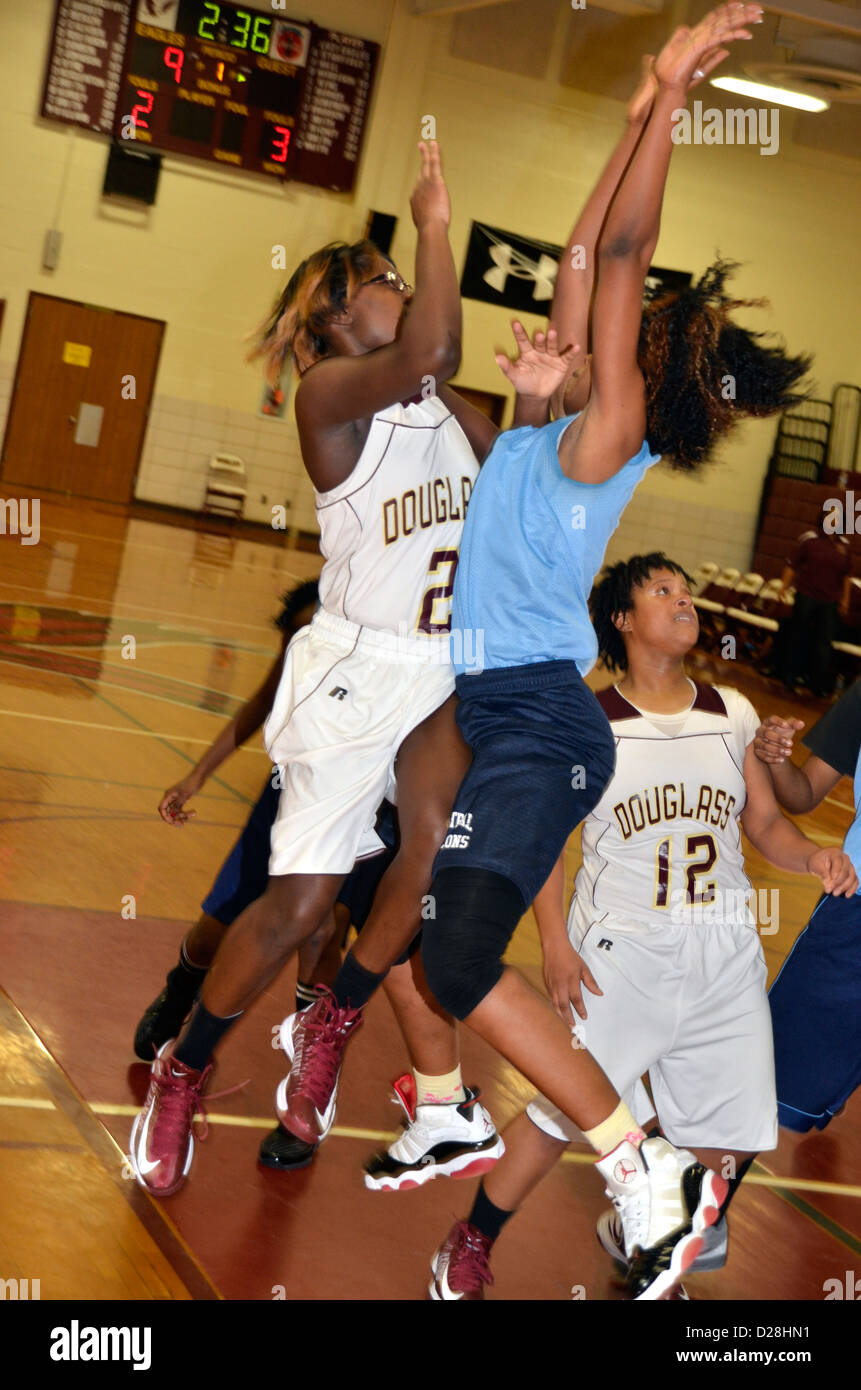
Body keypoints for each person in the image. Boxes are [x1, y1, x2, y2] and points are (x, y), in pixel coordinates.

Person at [278, 6, 814, 1299]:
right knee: (414, 941)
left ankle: (642, 1169)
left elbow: (620, 253)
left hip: (536, 722)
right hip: (493, 708)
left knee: (452, 960)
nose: (555, 329)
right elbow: (582, 247)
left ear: (610, 381)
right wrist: (630, 110)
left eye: (576, 347)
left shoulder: (595, 438)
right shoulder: (528, 436)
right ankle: (469, 1110)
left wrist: (676, 96)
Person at [130, 140, 508, 1199]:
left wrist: (557, 387)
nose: (403, 291)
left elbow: (515, 465)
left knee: (431, 848)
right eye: (386, 278)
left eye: (400, 274)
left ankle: (333, 1018)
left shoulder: (444, 407)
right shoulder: (331, 398)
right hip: (354, 670)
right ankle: (185, 1068)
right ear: (343, 314)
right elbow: (434, 337)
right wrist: (436, 219)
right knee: (297, 905)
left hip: (439, 669)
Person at [424, 554, 856, 1299]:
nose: (683, 601)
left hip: (723, 949)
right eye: (663, 592)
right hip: (622, 950)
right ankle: (471, 1240)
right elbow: (545, 839)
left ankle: (656, 1250)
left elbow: (763, 824)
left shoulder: (733, 714)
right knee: (563, 1110)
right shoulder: (587, 722)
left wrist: (812, 855)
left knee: (719, 1140)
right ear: (622, 622)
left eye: (686, 592)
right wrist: (555, 942)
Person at [753, 681, 861, 1133]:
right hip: (853, 916)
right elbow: (803, 793)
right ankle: (682, 1202)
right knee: (764, 1091)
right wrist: (777, 758)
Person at [774, 511, 851, 696]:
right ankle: (789, 677)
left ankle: (816, 684)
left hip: (830, 600)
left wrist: (845, 599)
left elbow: (847, 575)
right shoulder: (809, 539)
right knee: (798, 635)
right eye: (831, 517)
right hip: (807, 595)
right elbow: (792, 564)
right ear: (823, 519)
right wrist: (783, 587)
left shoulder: (844, 545)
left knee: (823, 642)